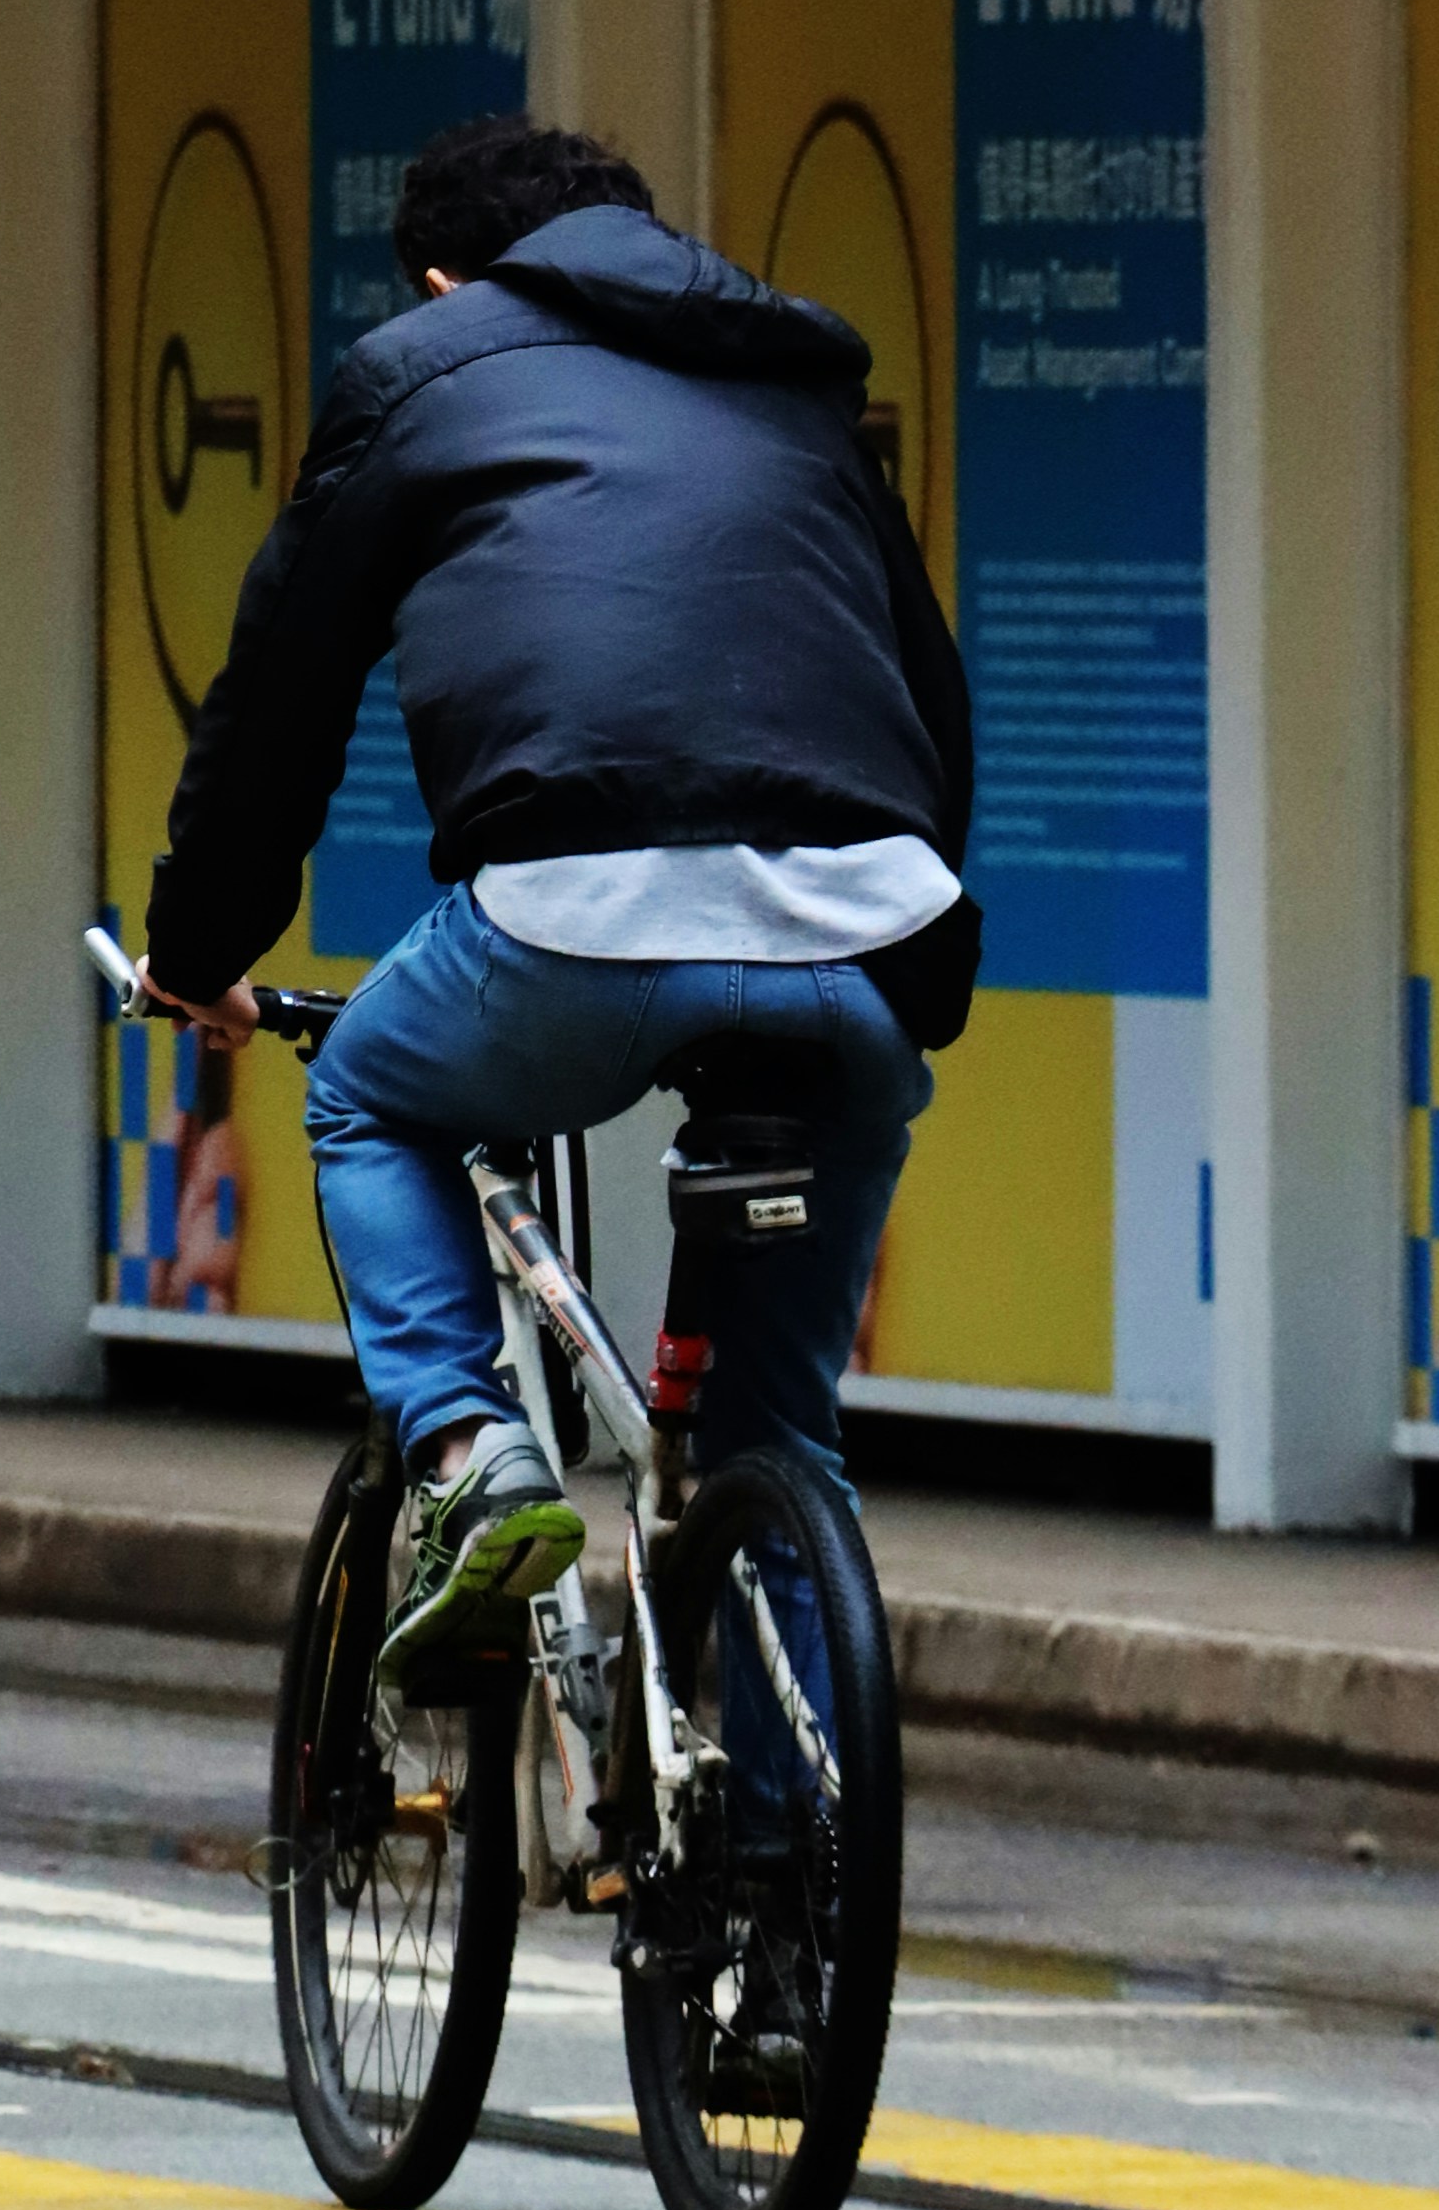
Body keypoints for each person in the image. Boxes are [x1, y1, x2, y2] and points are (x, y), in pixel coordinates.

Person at [139, 114, 978, 1699]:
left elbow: (280, 699)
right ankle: (790, 1856)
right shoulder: (794, 389)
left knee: (373, 1101)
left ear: (452, 280)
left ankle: (470, 1456)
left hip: (569, 924)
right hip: (858, 936)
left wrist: (201, 954)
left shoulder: (423, 371)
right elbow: (930, 696)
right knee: (777, 1432)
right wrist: (911, 969)